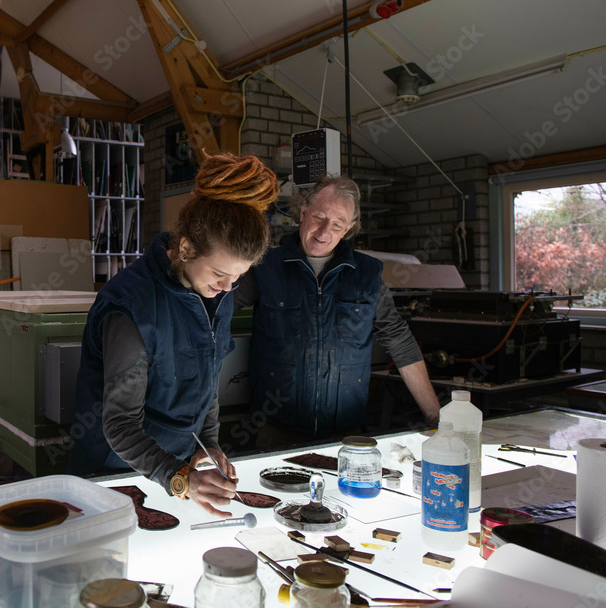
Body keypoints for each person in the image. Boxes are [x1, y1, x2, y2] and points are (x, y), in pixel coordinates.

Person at [69, 152, 278, 516]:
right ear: (185, 248)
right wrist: (179, 477)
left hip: (175, 471)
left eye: (238, 277)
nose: (228, 287)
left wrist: (207, 445)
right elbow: (120, 425)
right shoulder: (132, 307)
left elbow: (208, 379)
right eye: (219, 274)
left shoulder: (217, 293)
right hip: (113, 472)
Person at [234, 175, 440, 447]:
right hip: (275, 429)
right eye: (319, 217)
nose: (324, 232)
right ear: (303, 212)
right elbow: (215, 312)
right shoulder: (266, 267)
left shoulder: (365, 274)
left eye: (337, 224)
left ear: (348, 229)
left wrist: (436, 417)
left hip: (347, 433)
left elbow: (399, 341)